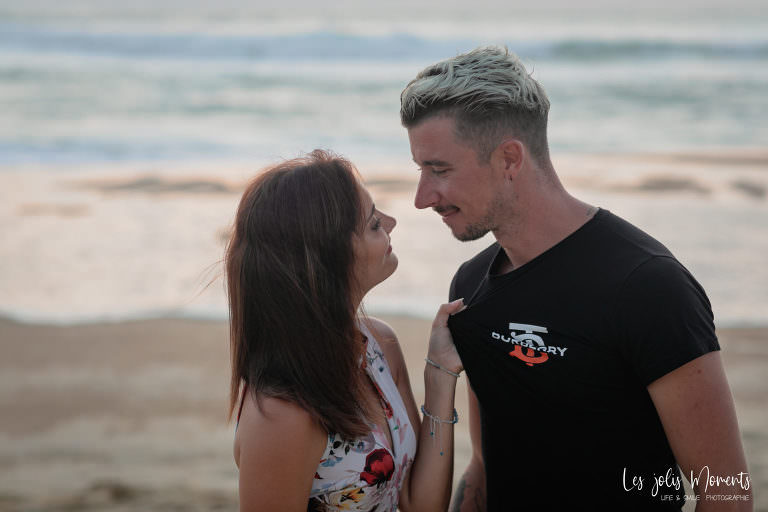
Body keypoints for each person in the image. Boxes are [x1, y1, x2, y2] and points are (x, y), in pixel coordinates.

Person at [400, 46, 752, 511]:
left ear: (509, 159)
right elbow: (484, 468)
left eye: (439, 170)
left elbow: (726, 494)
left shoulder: (647, 287)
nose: (423, 198)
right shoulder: (470, 284)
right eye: (420, 171)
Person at [225, 149, 465, 511]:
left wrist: (441, 374)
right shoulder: (283, 412)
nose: (391, 221)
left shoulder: (378, 346)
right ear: (327, 258)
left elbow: (420, 503)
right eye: (372, 223)